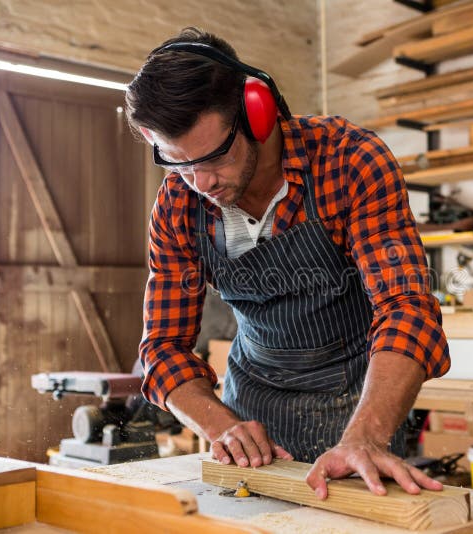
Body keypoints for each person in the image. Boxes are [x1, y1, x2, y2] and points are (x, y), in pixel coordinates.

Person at [126, 28, 450, 499]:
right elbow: (162, 348)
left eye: (214, 157)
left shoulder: (349, 161)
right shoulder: (179, 203)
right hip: (248, 407)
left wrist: (367, 436)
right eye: (178, 164)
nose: (201, 182)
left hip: (356, 411)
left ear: (257, 113)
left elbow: (407, 308)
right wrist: (221, 427)